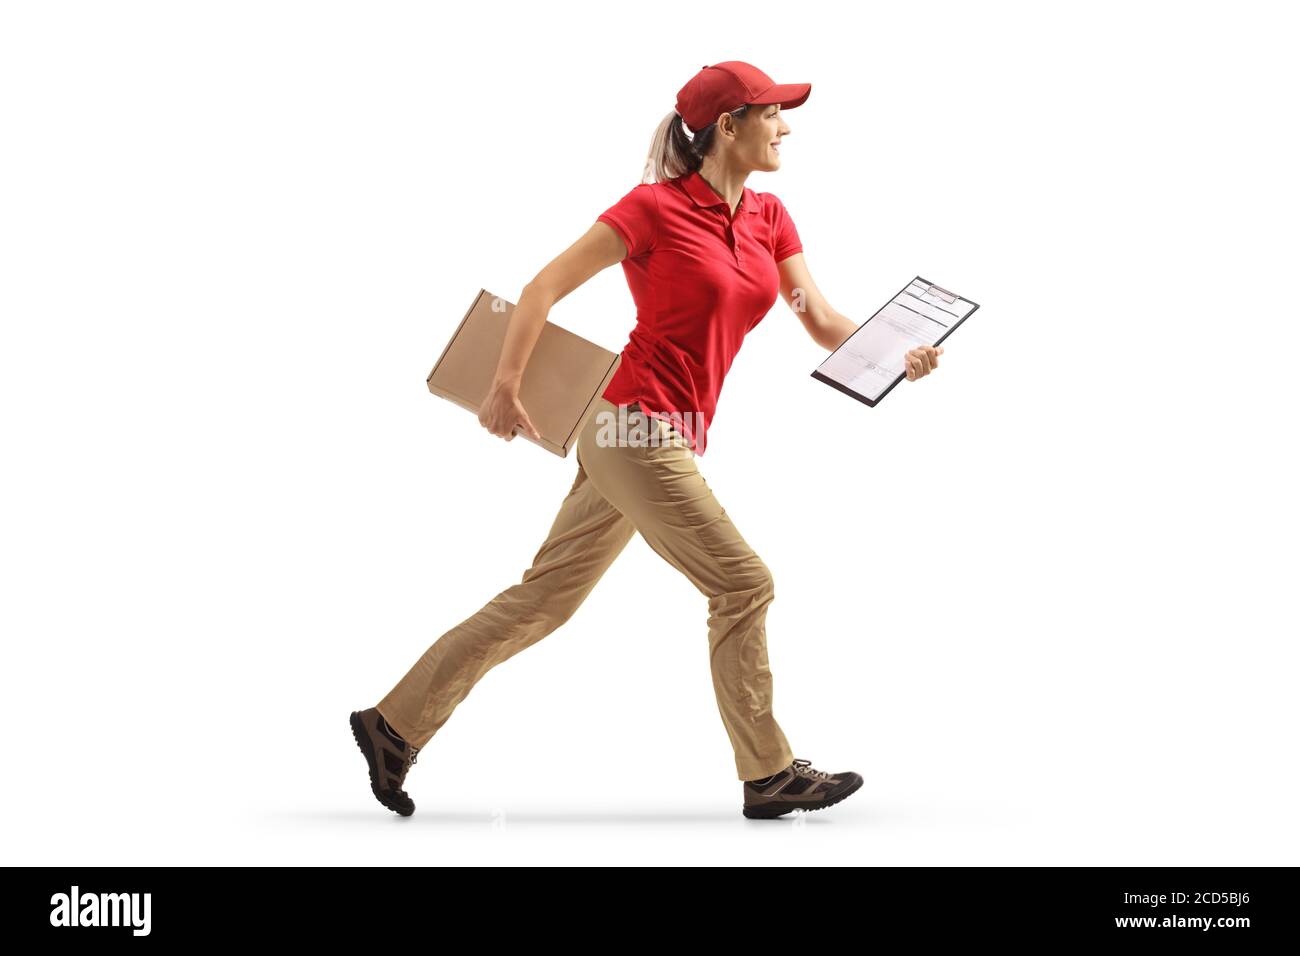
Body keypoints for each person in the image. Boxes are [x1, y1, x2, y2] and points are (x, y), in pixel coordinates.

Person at [350, 61, 944, 820]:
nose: (786, 127)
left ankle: (392, 724)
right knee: (743, 582)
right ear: (728, 127)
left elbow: (820, 319)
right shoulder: (653, 211)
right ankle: (767, 773)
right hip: (633, 426)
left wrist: (898, 356)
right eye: (772, 114)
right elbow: (543, 287)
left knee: (544, 601)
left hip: (664, 436)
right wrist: (503, 387)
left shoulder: (770, 219)